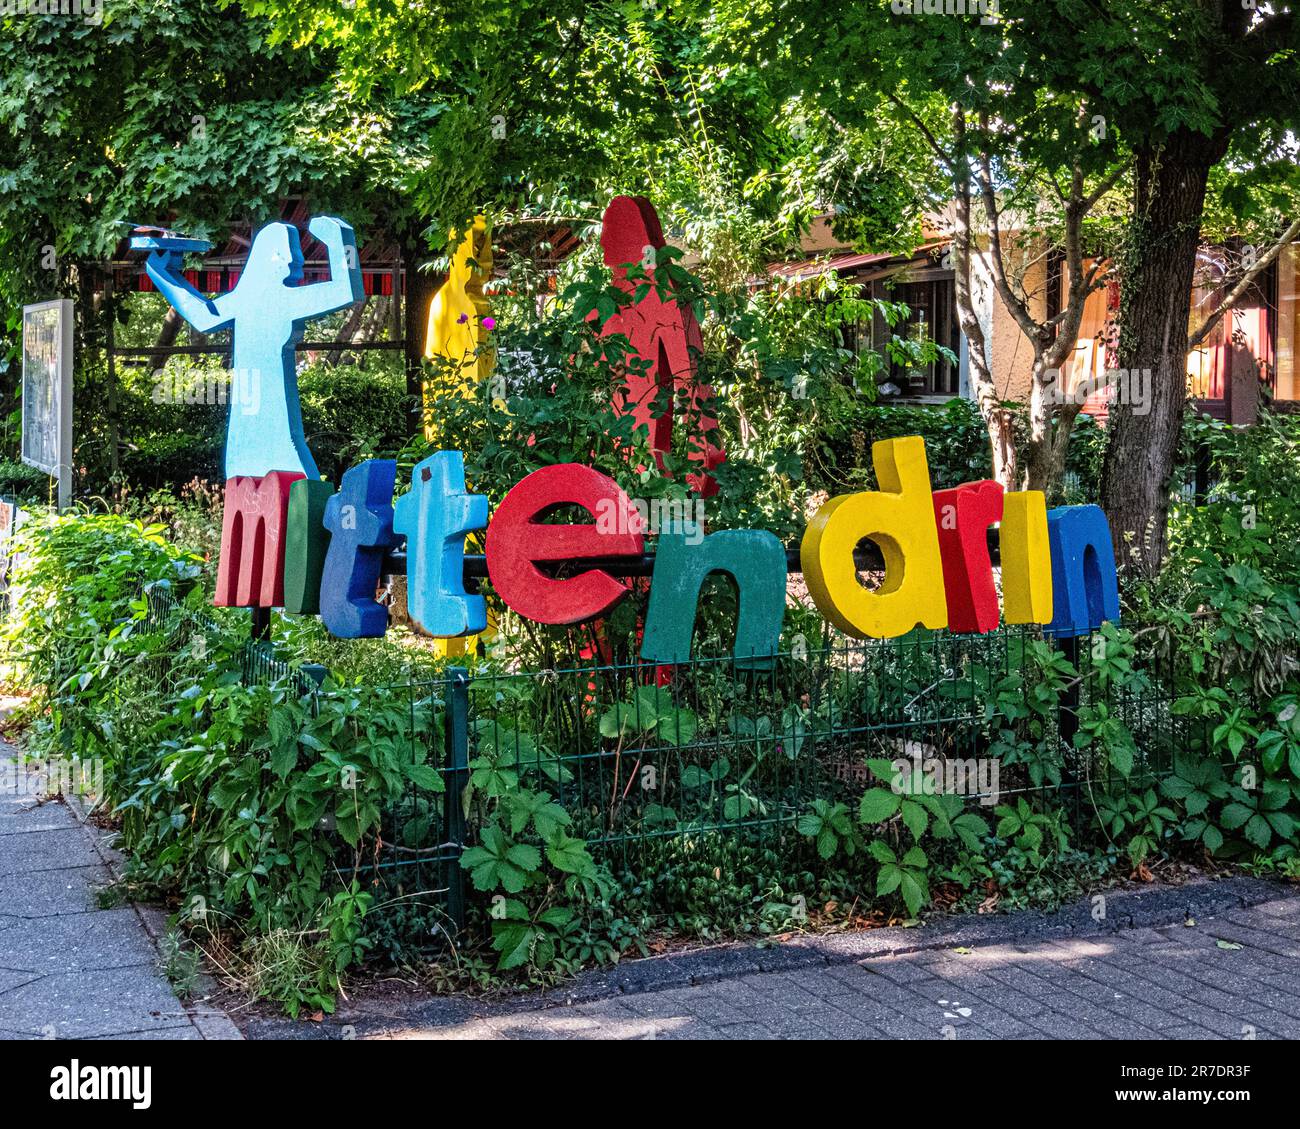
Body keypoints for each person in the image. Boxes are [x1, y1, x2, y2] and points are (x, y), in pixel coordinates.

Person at [142, 216, 363, 480]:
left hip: (251, 441)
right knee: (292, 487)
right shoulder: (276, 300)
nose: (296, 265)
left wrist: (160, 271)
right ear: (270, 258)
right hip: (260, 439)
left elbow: (202, 314)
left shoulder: (248, 300)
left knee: (282, 489)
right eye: (287, 255)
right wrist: (339, 241)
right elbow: (346, 290)